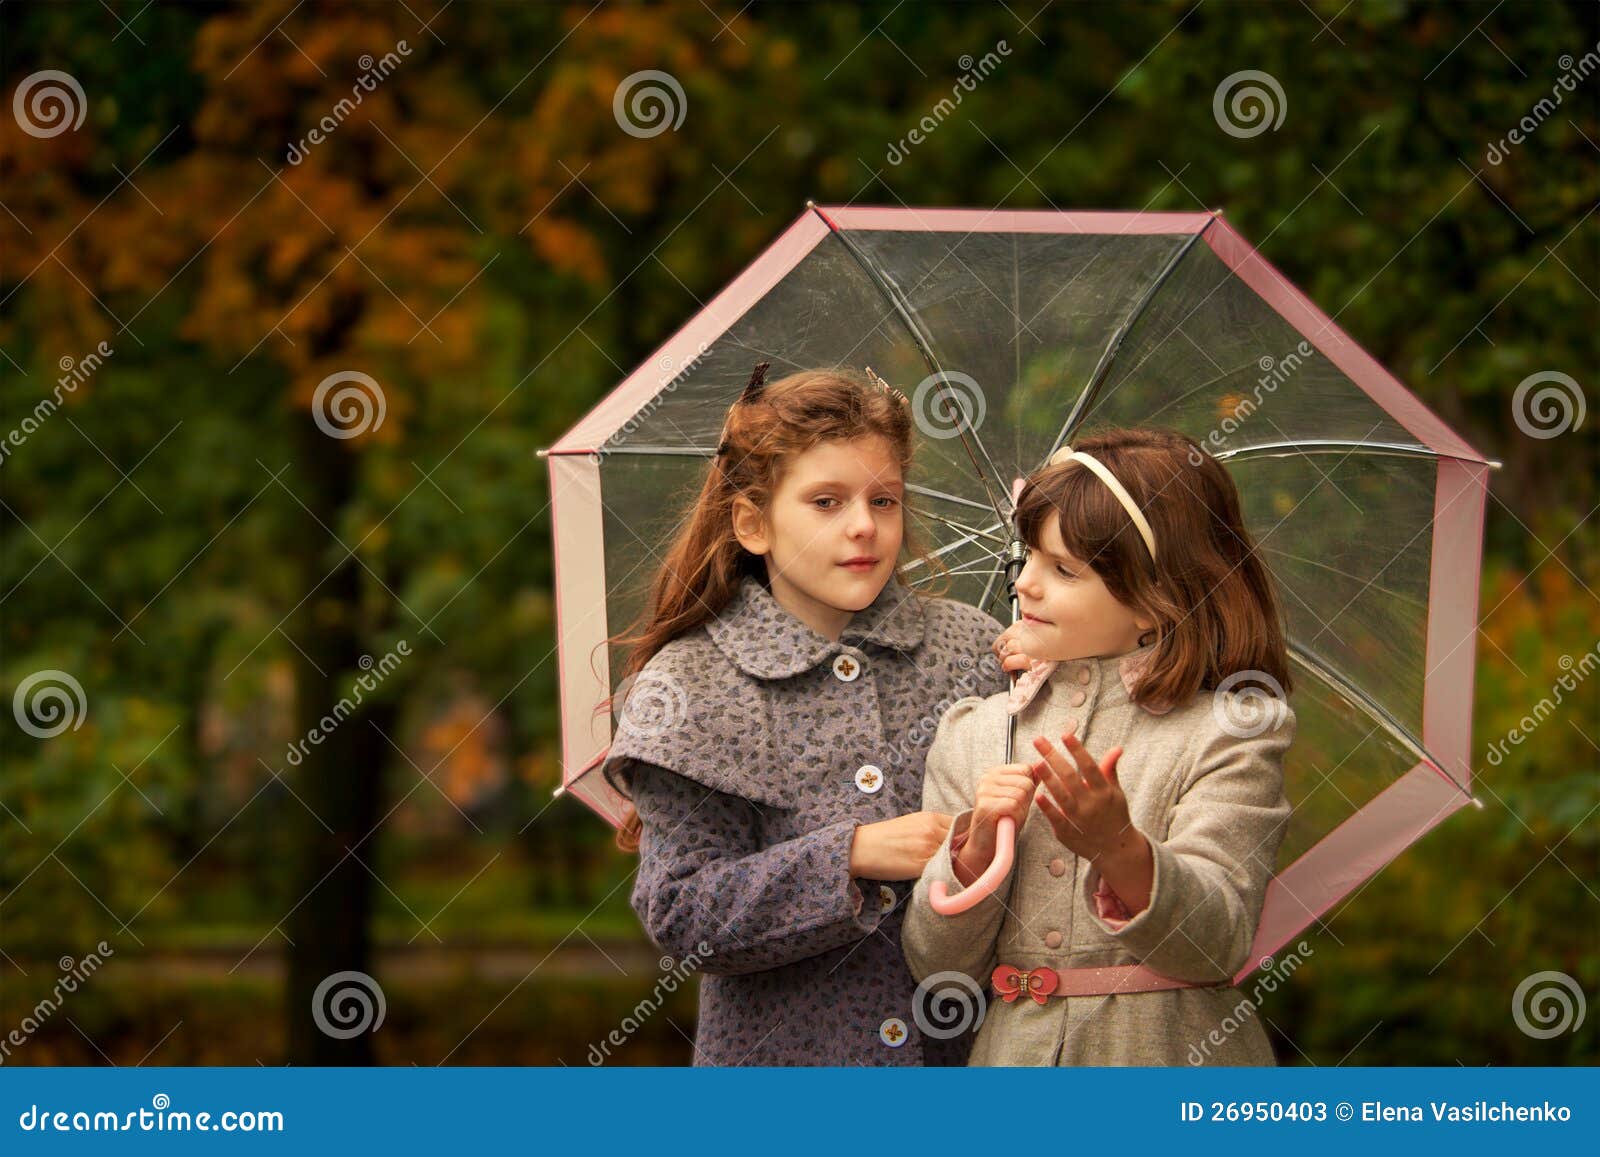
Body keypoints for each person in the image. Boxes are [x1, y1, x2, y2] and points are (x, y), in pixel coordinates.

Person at [601, 364, 1007, 1065]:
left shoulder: (972, 648)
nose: (864, 525)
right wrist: (849, 856)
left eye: (884, 500)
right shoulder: (690, 684)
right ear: (753, 523)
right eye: (826, 501)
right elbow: (682, 912)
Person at [902, 427, 1297, 1066]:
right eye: (1029, 556)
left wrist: (1118, 847)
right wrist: (973, 855)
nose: (1025, 584)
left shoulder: (1227, 732)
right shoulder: (975, 732)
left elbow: (1216, 943)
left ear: (1154, 600)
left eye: (1064, 569)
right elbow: (939, 970)